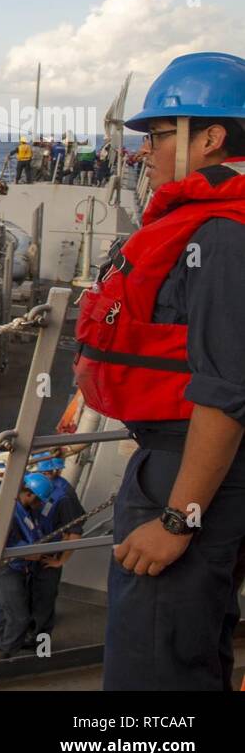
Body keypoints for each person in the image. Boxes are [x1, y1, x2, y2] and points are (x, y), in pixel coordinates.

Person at [74, 51, 245, 690]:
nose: (144, 151)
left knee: (152, 673)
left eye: (158, 134)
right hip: (193, 468)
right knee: (192, 655)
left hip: (191, 474)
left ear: (211, 137)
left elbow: (226, 392)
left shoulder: (222, 238)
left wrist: (179, 520)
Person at [0, 473, 51, 659]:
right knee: (20, 618)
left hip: (20, 568)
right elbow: (2, 545)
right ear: (29, 495)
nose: (41, 505)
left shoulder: (26, 510)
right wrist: (30, 553)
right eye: (39, 500)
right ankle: (4, 652)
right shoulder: (10, 515)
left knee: (2, 606)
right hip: (9, 568)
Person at [27, 455, 85, 640]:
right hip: (35, 547)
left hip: (48, 554)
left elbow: (74, 532)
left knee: (45, 595)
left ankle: (39, 636)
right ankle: (29, 625)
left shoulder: (63, 496)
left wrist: (61, 561)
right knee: (32, 590)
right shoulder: (38, 483)